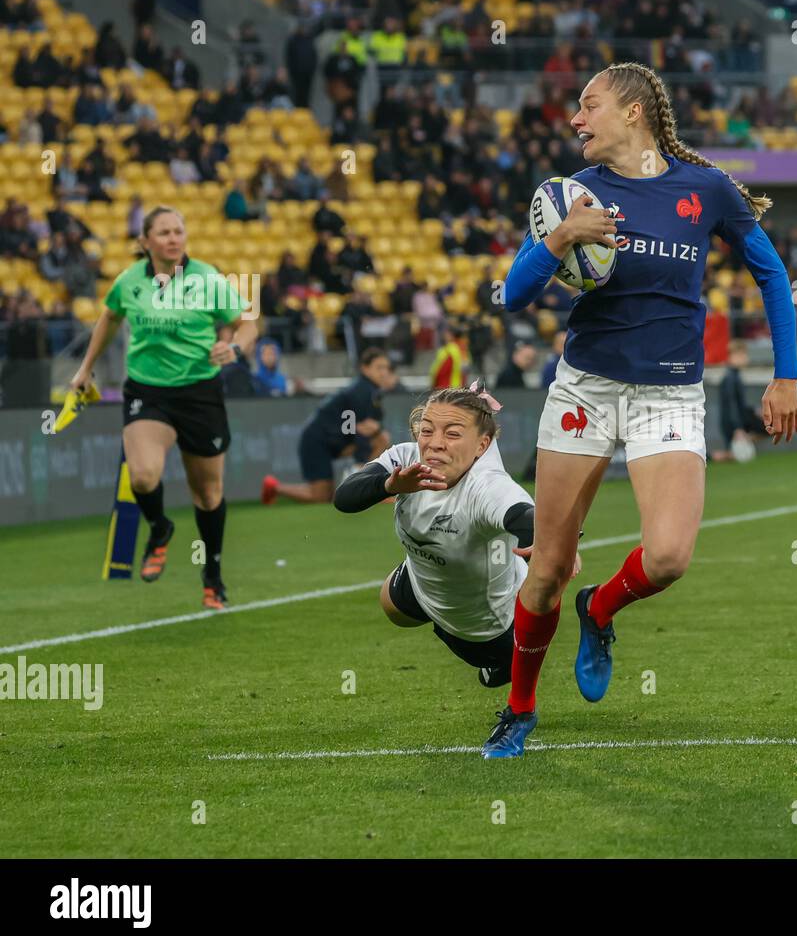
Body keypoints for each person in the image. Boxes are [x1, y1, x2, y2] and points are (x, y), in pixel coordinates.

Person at [492, 61, 797, 758]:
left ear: (633, 111)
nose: (576, 119)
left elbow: (772, 273)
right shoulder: (573, 195)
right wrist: (561, 238)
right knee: (545, 568)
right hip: (585, 391)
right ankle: (519, 706)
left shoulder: (706, 189)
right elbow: (511, 296)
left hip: (669, 393)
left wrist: (786, 375)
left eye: (588, 105)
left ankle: (598, 608)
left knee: (666, 558)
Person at [333, 385, 581, 701]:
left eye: (452, 434)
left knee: (499, 667)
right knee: (391, 604)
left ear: (482, 445)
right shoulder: (407, 457)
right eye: (426, 430)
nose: (435, 443)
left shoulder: (487, 486)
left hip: (485, 627)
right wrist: (389, 485)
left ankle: (504, 664)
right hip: (425, 583)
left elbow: (524, 516)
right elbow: (345, 498)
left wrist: (558, 543)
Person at [69, 205, 256, 609]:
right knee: (142, 476)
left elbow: (249, 322)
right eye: (165, 232)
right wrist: (85, 368)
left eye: (179, 231)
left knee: (207, 494)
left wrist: (236, 347)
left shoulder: (207, 278)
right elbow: (109, 318)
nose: (174, 238)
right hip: (147, 391)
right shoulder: (129, 281)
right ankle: (159, 528)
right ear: (145, 241)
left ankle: (212, 573)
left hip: (199, 392)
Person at [261, 347, 399, 505]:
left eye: (386, 368)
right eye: (379, 367)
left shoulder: (371, 390)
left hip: (332, 440)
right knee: (321, 496)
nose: (384, 372)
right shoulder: (361, 390)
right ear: (364, 368)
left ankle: (365, 484)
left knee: (380, 438)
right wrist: (358, 465)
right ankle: (274, 488)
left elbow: (362, 429)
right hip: (317, 441)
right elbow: (360, 430)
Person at [710, 340, 767, 462]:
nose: (745, 358)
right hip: (735, 421)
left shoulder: (734, 376)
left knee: (735, 455)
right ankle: (712, 456)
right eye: (741, 355)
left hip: (738, 419)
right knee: (772, 426)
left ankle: (716, 455)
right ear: (731, 357)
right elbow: (732, 405)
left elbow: (739, 403)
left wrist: (754, 410)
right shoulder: (730, 378)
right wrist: (738, 428)